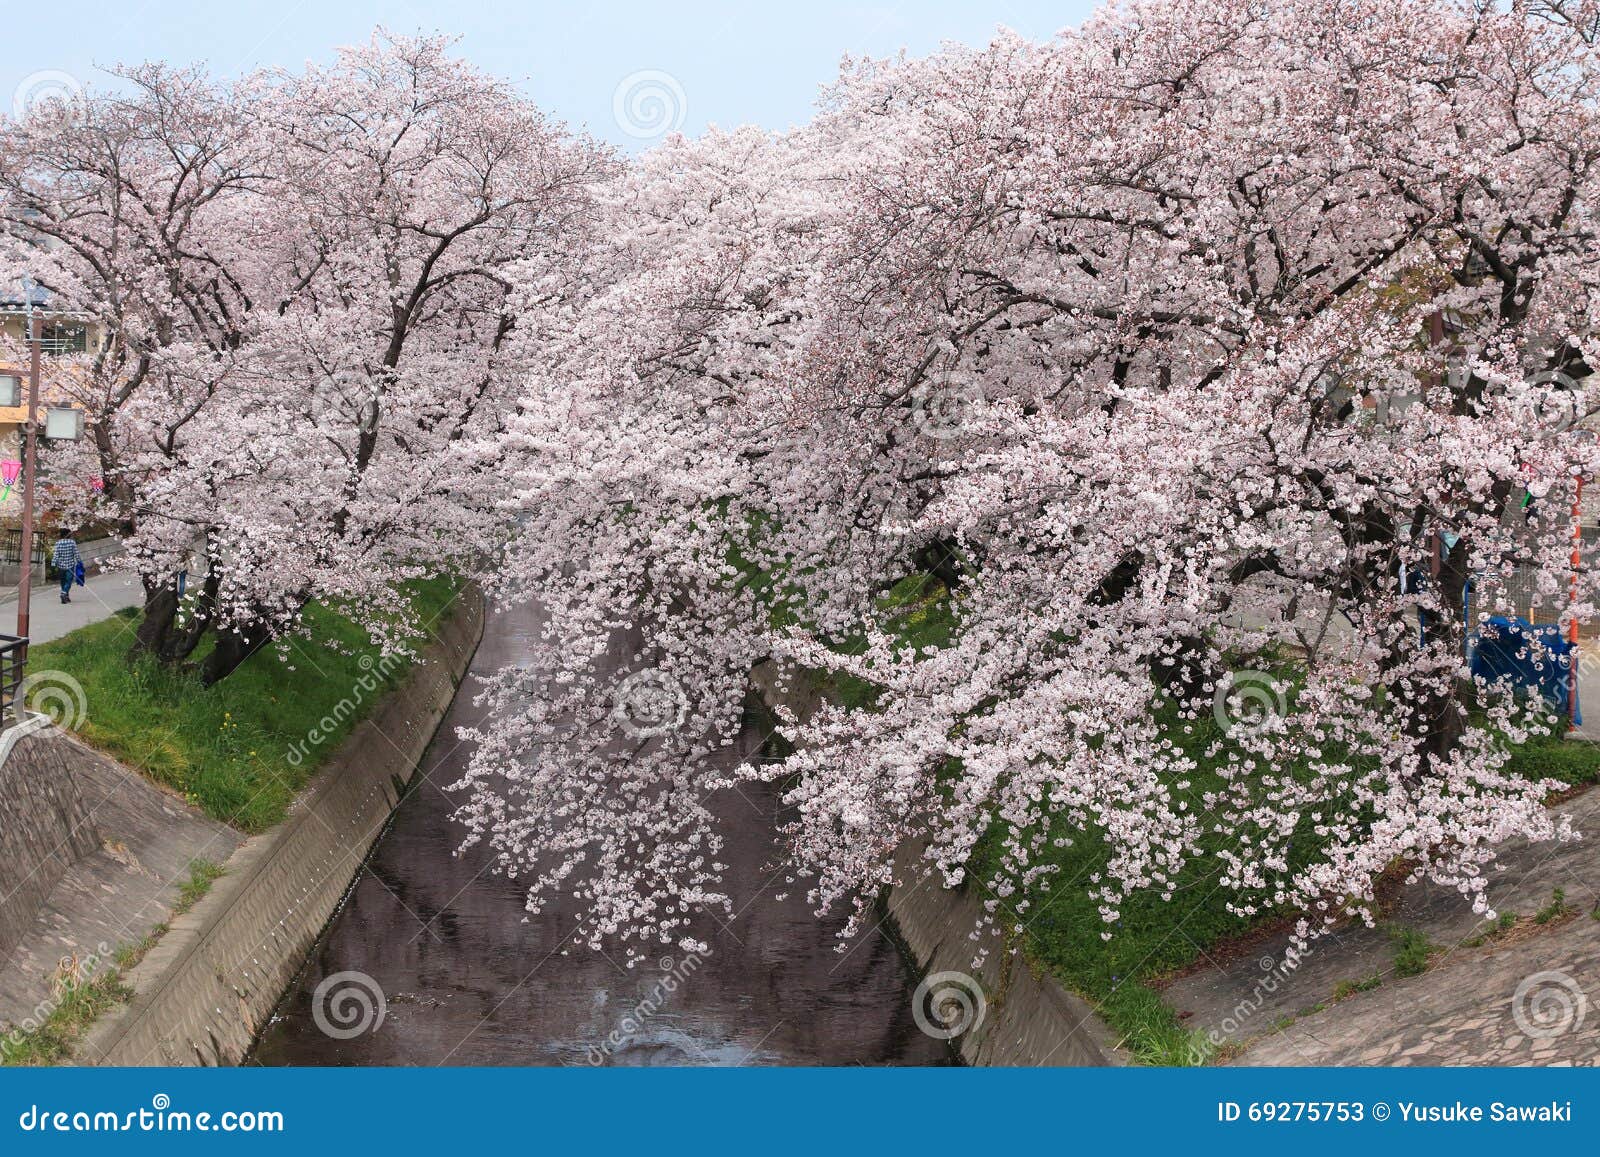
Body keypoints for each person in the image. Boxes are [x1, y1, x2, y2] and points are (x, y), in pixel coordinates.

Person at [51, 528, 80, 604]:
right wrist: (79, 561)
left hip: (61, 565)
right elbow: (76, 553)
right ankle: (64, 593)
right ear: (68, 534)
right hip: (70, 565)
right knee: (69, 581)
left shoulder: (58, 543)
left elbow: (56, 554)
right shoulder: (72, 542)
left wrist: (53, 563)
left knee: (63, 581)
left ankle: (66, 596)